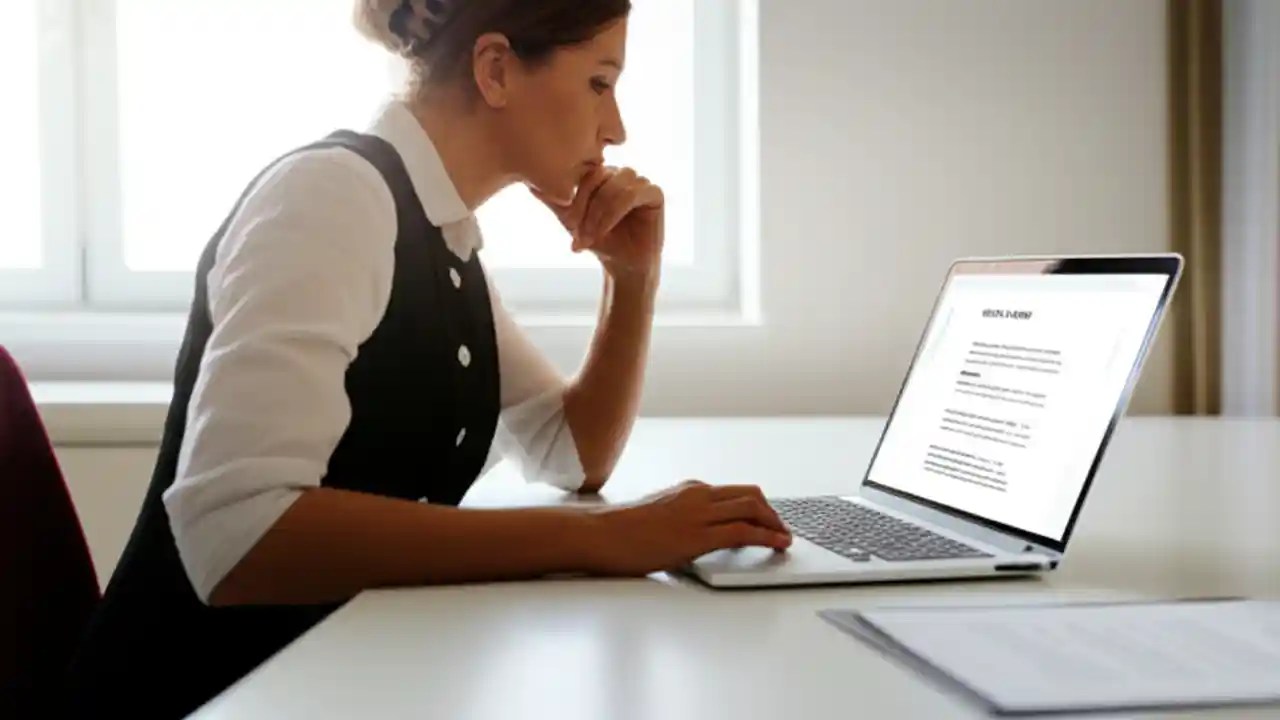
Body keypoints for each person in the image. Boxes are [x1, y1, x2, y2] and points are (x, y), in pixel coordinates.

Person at [62, 0, 792, 716]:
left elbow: (571, 449)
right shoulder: (333, 199)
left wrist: (632, 280)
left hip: (330, 683)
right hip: (202, 696)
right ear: (497, 70)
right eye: (600, 82)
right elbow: (236, 531)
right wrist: (601, 538)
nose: (617, 127)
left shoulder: (442, 232)